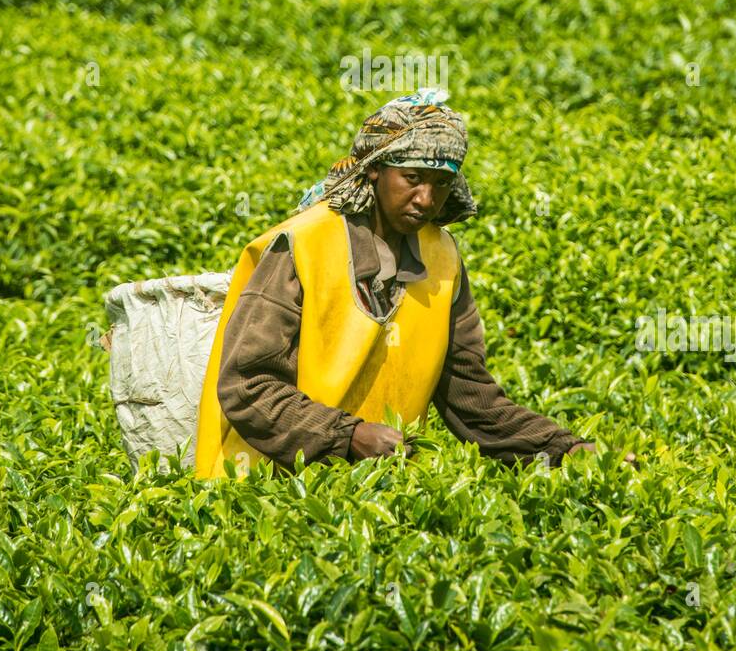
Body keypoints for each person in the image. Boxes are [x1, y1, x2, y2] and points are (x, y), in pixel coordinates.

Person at [195, 89, 624, 477]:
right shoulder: (304, 244)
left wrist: (565, 451)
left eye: (440, 183)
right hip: (262, 486)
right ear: (375, 171)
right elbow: (247, 386)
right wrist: (348, 437)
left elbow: (472, 398)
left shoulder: (441, 258)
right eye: (413, 178)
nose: (426, 199)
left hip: (373, 487)